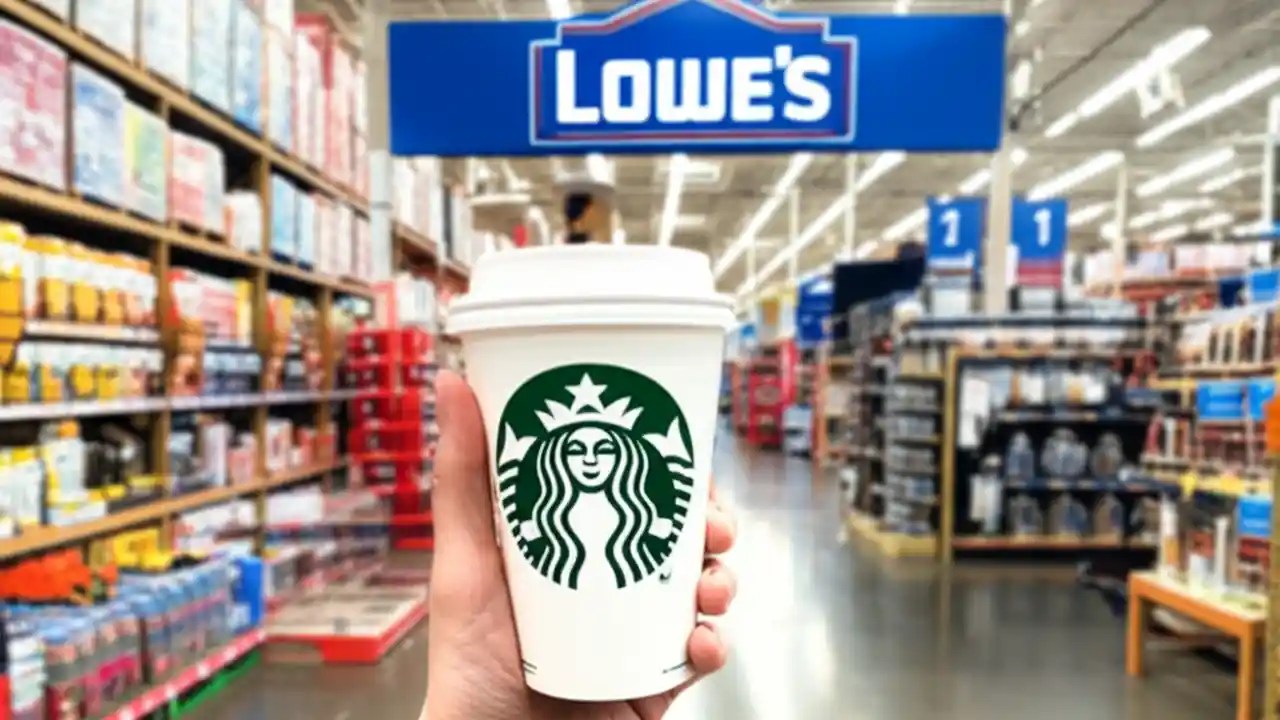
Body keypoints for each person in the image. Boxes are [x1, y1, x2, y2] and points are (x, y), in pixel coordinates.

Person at [425, 371, 739, 720]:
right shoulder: (547, 523)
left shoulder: (640, 523)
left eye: (603, 448)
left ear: (625, 456)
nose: (590, 460)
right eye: (577, 449)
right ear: (556, 457)